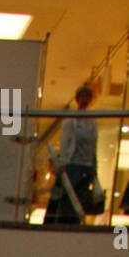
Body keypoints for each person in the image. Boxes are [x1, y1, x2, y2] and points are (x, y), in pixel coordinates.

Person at [44, 85, 98, 225]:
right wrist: (62, 163)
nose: (85, 100)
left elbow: (93, 146)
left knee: (79, 197)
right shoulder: (70, 121)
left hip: (86, 165)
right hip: (72, 164)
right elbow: (65, 143)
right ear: (77, 99)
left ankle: (74, 221)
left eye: (87, 97)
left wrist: (94, 166)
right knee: (68, 196)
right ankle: (61, 221)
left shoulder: (92, 122)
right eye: (82, 97)